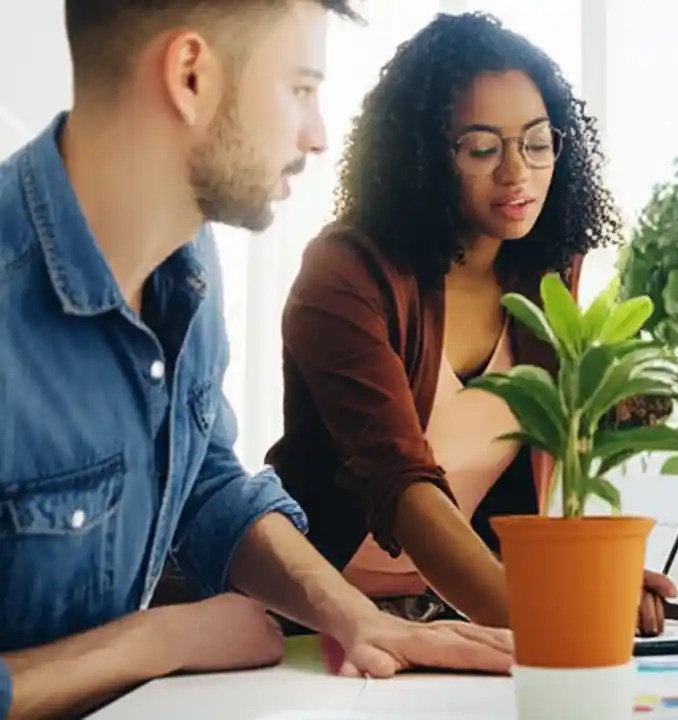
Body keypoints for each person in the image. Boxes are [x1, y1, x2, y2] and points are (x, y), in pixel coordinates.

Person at [0, 2, 515, 718]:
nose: (319, 134)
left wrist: (354, 616)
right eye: (300, 88)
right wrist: (152, 642)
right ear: (190, 76)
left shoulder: (185, 260)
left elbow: (205, 482)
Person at [262, 11, 678, 637]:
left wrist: (586, 578)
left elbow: (527, 489)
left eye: (537, 143)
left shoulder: (546, 277)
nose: (517, 173)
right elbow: (401, 487)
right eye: (482, 148)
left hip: (450, 614)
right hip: (310, 615)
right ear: (422, 158)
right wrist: (555, 614)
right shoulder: (346, 274)